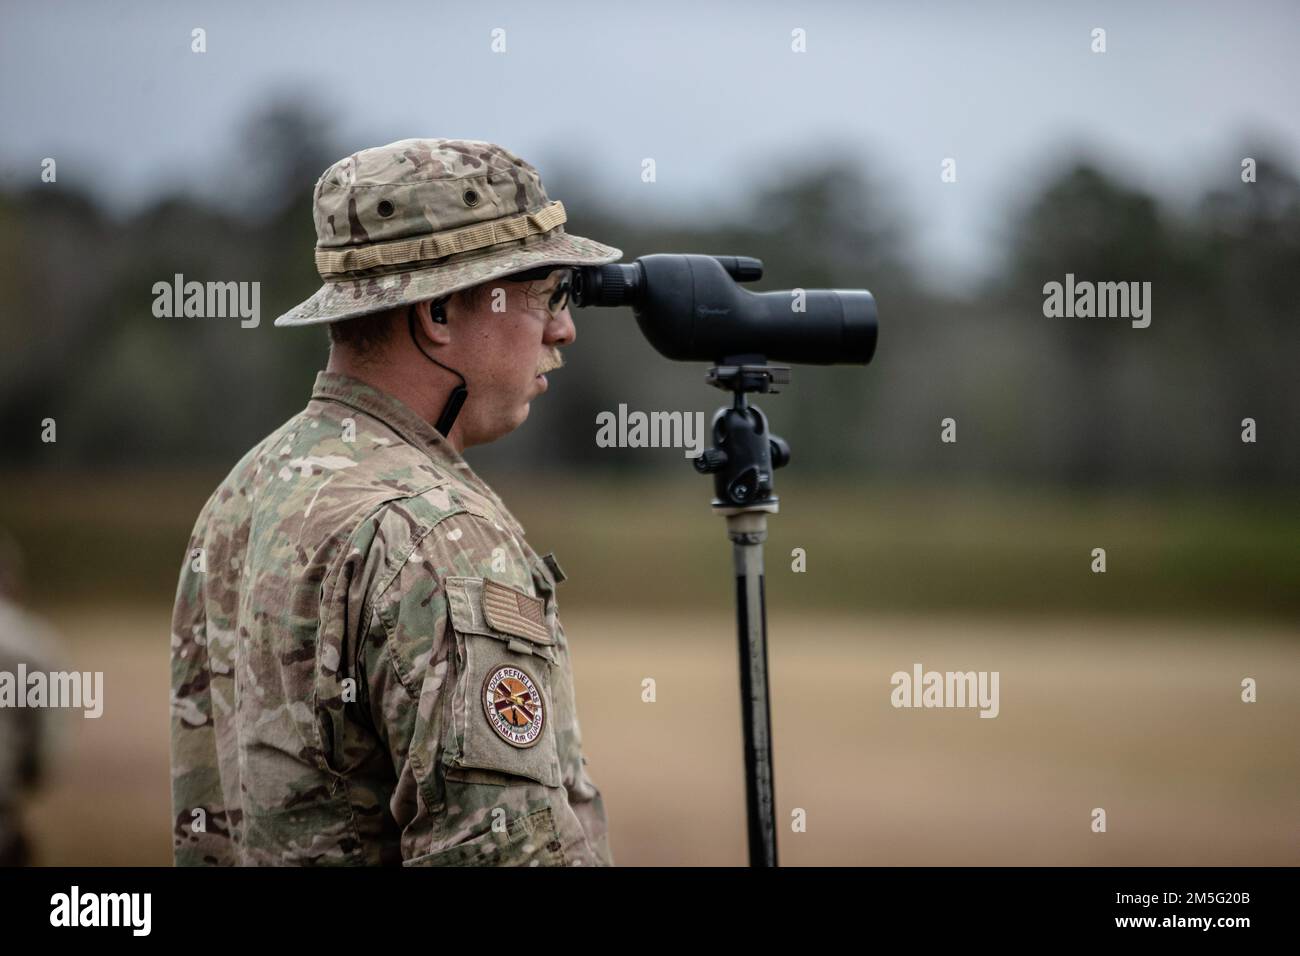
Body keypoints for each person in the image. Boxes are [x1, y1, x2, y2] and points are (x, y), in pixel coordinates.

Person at [169, 139, 621, 866]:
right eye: (545, 292)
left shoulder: (251, 489)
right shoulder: (441, 537)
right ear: (438, 312)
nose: (563, 328)